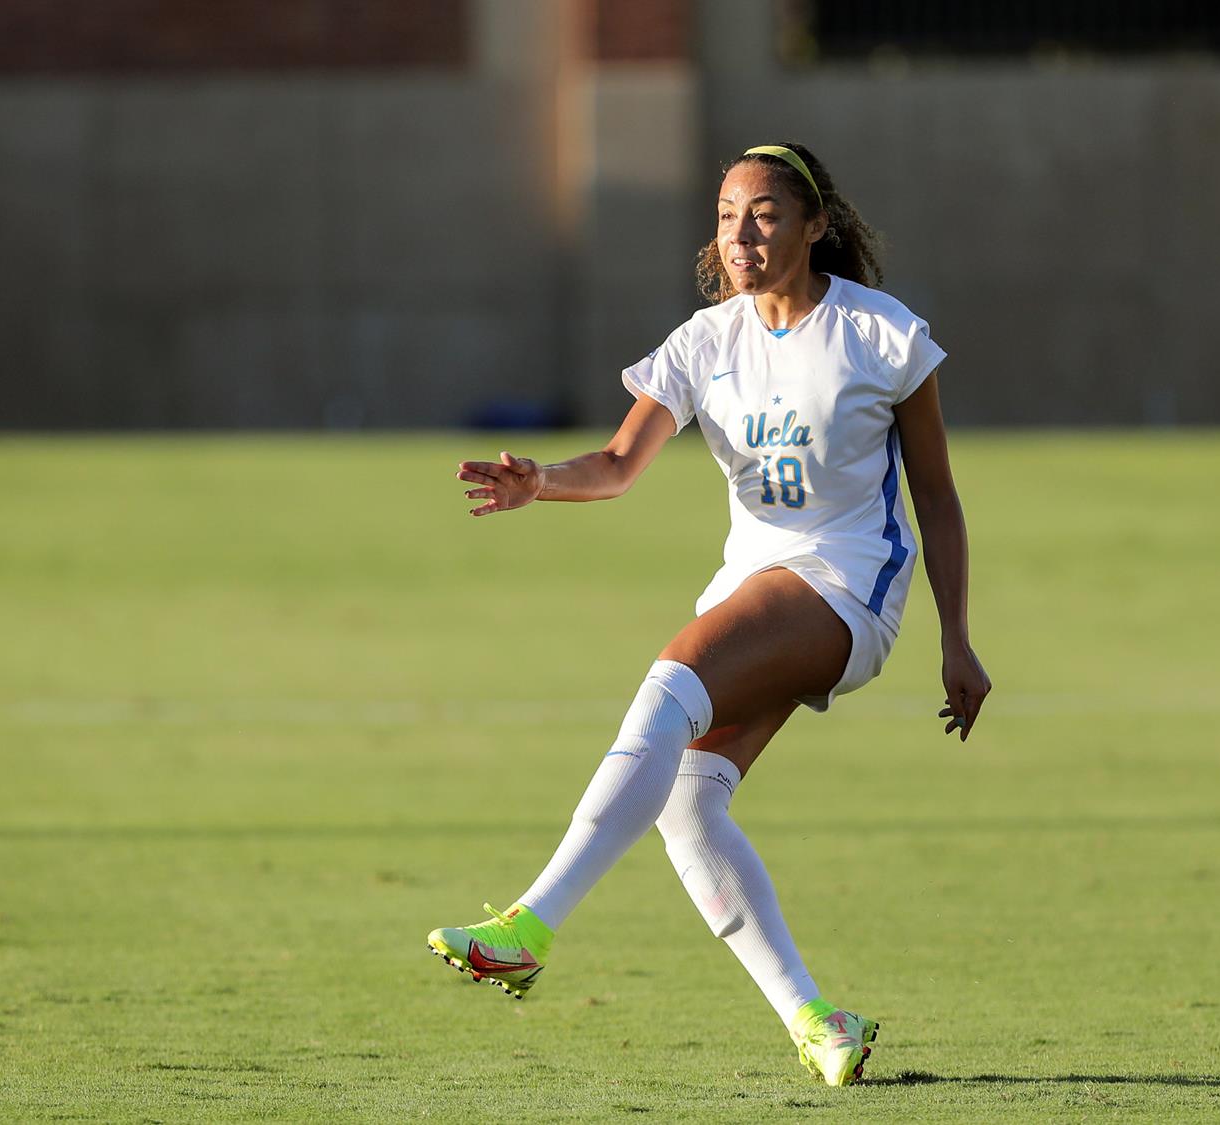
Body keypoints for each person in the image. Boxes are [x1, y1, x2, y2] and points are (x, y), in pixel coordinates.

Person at [425, 143, 991, 1087]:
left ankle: (530, 925)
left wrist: (957, 640)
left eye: (766, 213)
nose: (742, 234)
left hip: (849, 588)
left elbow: (937, 496)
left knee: (672, 679)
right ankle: (818, 1021)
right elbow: (614, 464)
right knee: (689, 803)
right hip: (754, 585)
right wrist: (541, 485)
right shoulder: (706, 340)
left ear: (817, 226)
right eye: (728, 215)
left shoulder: (881, 335)